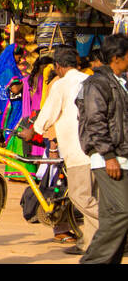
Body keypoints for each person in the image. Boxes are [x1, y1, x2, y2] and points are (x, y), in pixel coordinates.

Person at [31, 45, 95, 255]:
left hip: (78, 149)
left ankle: (114, 229)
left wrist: (33, 130)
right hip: (97, 148)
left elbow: (48, 113)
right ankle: (90, 243)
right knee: (92, 196)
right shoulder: (88, 80)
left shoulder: (62, 84)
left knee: (80, 197)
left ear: (58, 66)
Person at [77, 33, 128, 264]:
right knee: (122, 213)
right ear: (117, 58)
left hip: (121, 156)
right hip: (108, 157)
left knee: (112, 217)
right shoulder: (96, 84)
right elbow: (95, 121)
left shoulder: (121, 82)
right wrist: (109, 156)